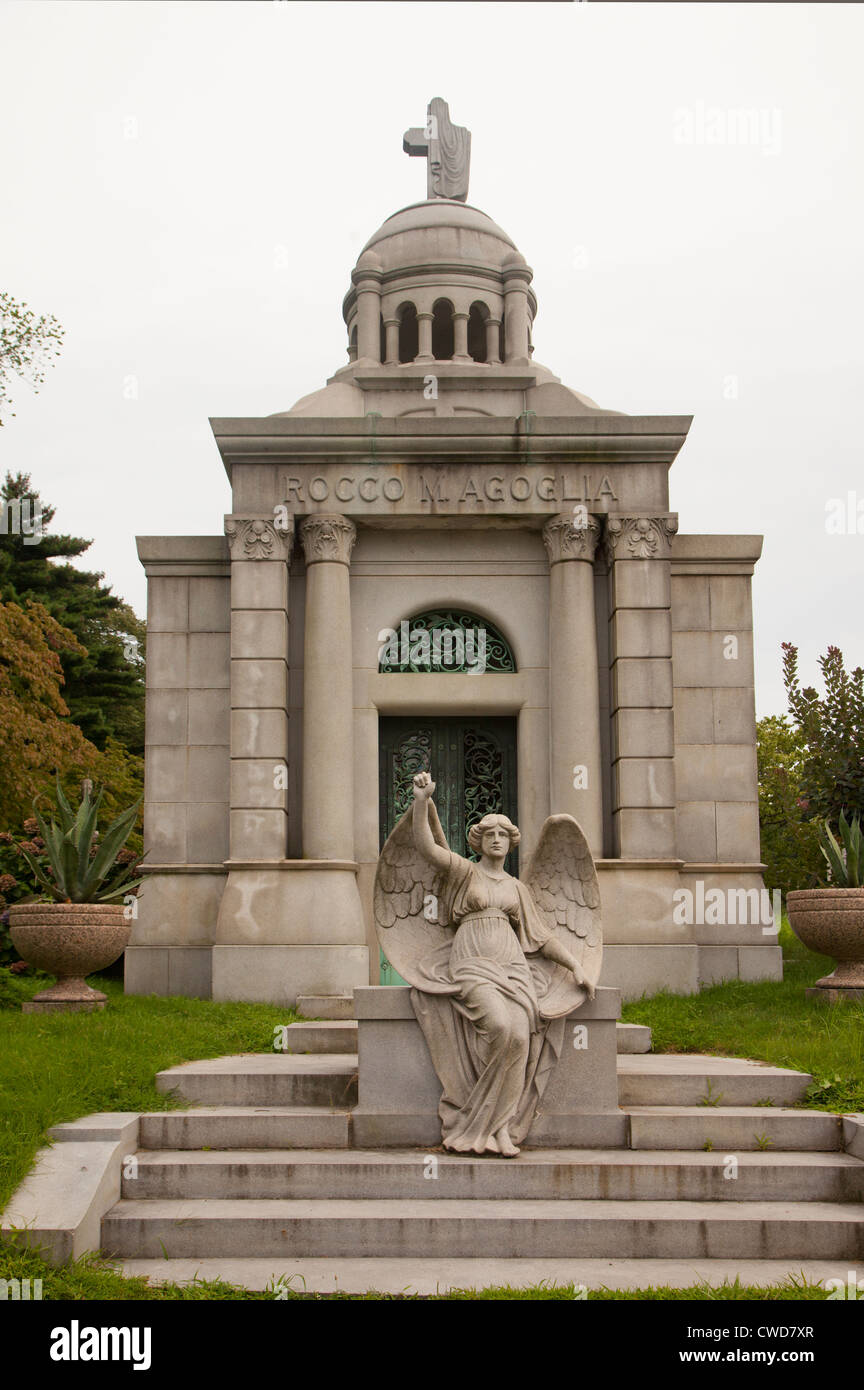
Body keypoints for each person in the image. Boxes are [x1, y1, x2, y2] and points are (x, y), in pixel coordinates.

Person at [410, 770, 594, 1156]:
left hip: (512, 966)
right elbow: (427, 848)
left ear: (511, 843)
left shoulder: (517, 888)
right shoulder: (463, 871)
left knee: (519, 1036)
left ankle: (501, 1128)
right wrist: (422, 801)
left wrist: (575, 966)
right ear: (479, 841)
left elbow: (542, 938)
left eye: (503, 835)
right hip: (473, 961)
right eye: (489, 834)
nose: (496, 840)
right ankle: (476, 1123)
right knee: (498, 1026)